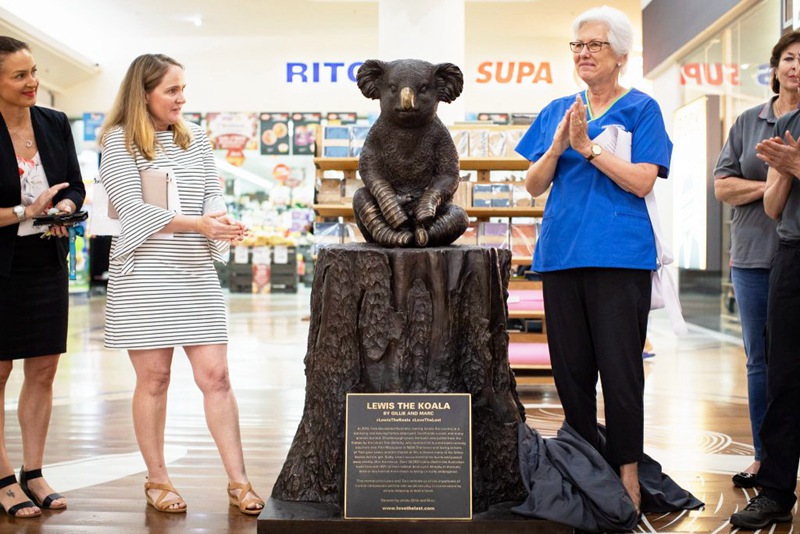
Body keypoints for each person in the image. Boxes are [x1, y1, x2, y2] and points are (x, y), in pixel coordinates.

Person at [515, 6, 672, 514]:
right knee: (571, 372)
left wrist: (587, 148)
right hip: (561, 256)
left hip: (620, 257)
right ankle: (584, 465)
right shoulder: (559, 107)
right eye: (577, 45)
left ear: (621, 56)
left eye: (595, 45)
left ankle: (626, 468)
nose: (583, 53)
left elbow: (643, 180)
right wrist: (558, 145)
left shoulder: (641, 109)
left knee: (621, 371)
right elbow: (534, 185)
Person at [98, 54, 262, 515]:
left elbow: (213, 189)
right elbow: (132, 209)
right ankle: (157, 478)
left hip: (194, 272)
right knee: (154, 379)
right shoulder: (119, 142)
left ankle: (239, 481)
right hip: (145, 276)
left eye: (183, 88)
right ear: (143, 92)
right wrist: (199, 225)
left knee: (218, 378)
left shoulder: (195, 139)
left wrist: (219, 219)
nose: (182, 98)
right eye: (172, 90)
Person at [0, 36, 84, 518]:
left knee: (44, 369)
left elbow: (73, 181)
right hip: (0, 265)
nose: (33, 82)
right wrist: (22, 211)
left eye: (34, 72)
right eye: (19, 75)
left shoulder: (53, 122)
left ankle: (33, 472)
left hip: (46, 261)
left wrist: (68, 204)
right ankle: (1, 474)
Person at [714, 31, 800, 490]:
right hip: (752, 256)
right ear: (774, 68)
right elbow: (722, 186)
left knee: (791, 361)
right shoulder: (749, 121)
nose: (795, 67)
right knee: (759, 361)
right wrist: (769, 185)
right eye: (788, 58)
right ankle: (765, 457)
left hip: (795, 252)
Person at [730, 69, 800, 531]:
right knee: (783, 375)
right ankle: (775, 490)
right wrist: (782, 169)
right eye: (790, 58)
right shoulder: (784, 123)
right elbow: (774, 209)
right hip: (792, 250)